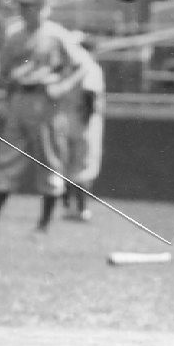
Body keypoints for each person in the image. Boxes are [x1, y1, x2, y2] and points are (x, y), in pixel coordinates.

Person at [0, 0, 91, 238]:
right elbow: (4, 71)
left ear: (43, 8)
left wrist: (62, 86)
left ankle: (43, 226)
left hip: (46, 102)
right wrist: (9, 99)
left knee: (49, 161)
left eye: (31, 6)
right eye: (23, 6)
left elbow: (82, 65)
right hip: (20, 99)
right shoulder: (14, 34)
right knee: (6, 161)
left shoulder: (56, 34)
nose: (25, 11)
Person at [60, 34, 106, 222]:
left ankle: (69, 207)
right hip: (84, 121)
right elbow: (90, 94)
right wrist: (85, 122)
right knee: (83, 167)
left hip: (67, 119)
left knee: (68, 166)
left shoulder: (70, 68)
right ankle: (80, 209)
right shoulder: (90, 67)